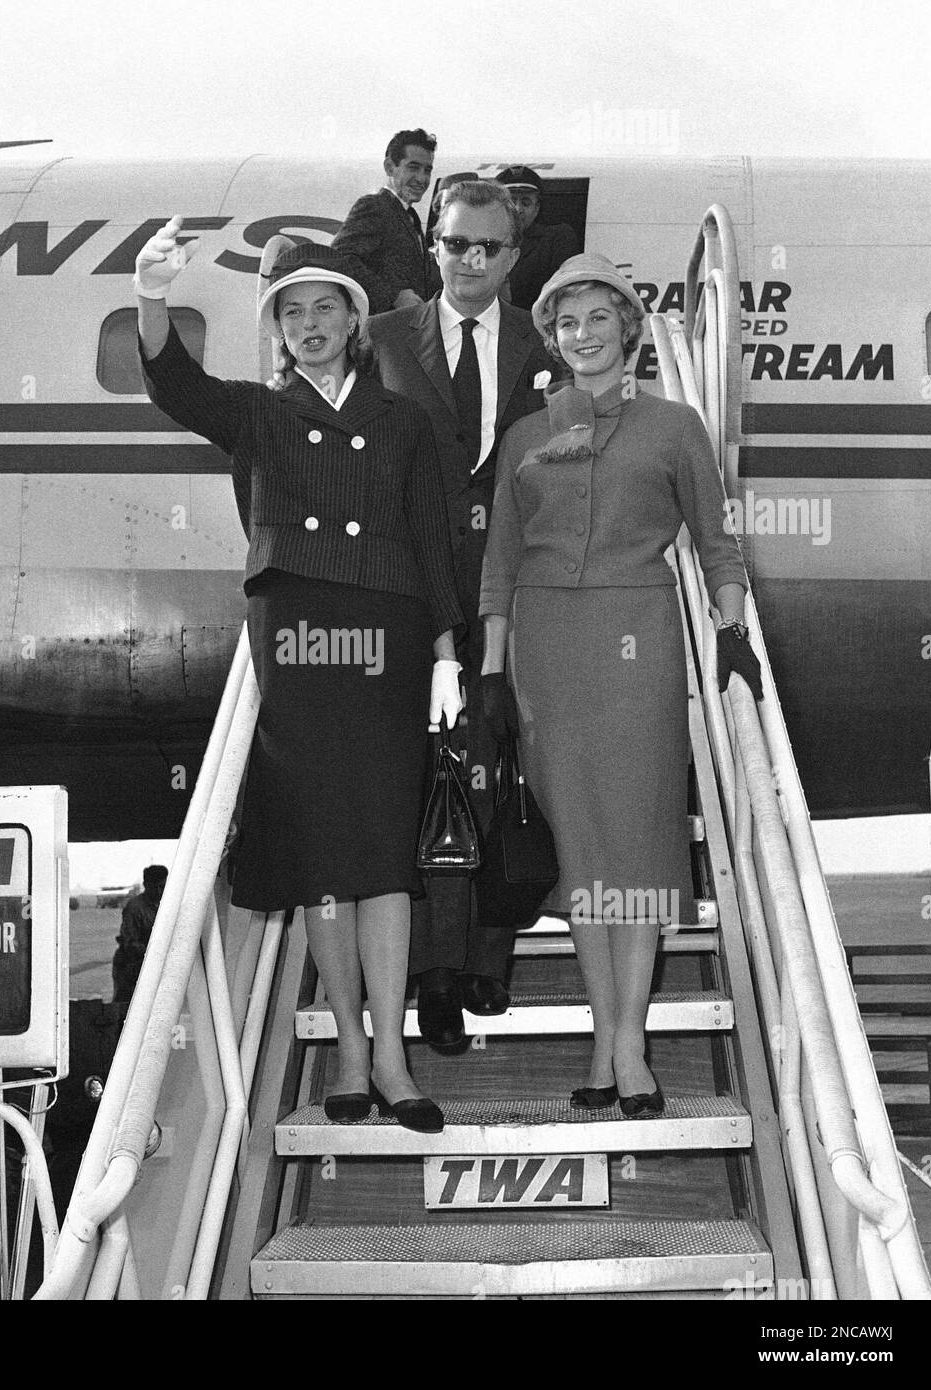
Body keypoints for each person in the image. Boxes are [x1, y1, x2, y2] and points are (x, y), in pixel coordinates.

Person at [134, 221, 465, 1132]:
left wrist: (445, 653)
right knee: (324, 849)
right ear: (276, 328)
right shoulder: (258, 411)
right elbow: (175, 384)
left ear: (356, 322)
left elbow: (435, 541)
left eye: (328, 307)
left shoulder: (403, 422)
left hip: (387, 629)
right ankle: (351, 1057)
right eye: (294, 311)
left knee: (385, 851)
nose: (311, 323)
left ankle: (394, 1061)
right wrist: (152, 297)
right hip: (299, 636)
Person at [478, 252, 763, 1117]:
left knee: (635, 849)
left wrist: (732, 629)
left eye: (600, 317)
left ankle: (627, 1048)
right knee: (583, 852)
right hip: (547, 652)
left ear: (631, 328)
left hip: (639, 641)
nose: (583, 334)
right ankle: (610, 1044)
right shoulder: (525, 438)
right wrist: (491, 675)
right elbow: (499, 562)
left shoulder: (674, 427)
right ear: (552, 338)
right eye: (567, 322)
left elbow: (718, 543)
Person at [369, 178, 557, 1049]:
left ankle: (491, 957)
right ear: (433, 247)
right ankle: (436, 976)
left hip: (515, 588)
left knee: (502, 770)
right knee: (436, 774)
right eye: (454, 245)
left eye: (489, 246)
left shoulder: (541, 343)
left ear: (513, 257)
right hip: (415, 593)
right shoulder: (381, 341)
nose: (470, 260)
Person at [331, 127, 440, 314]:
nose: (422, 179)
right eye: (413, 167)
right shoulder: (375, 206)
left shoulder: (409, 215)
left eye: (427, 170)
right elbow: (339, 257)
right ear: (390, 167)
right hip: (383, 331)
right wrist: (392, 296)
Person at [496, 165, 581, 312]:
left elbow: (564, 295)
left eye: (526, 202)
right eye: (511, 201)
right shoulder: (481, 242)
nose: (518, 209)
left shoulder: (555, 239)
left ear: (537, 208)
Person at [112, 865, 167, 1003]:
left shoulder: (166, 906)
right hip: (130, 966)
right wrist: (156, 952)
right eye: (156, 887)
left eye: (163, 886)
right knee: (126, 1008)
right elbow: (130, 943)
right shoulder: (134, 907)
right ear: (146, 885)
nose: (159, 891)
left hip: (153, 965)